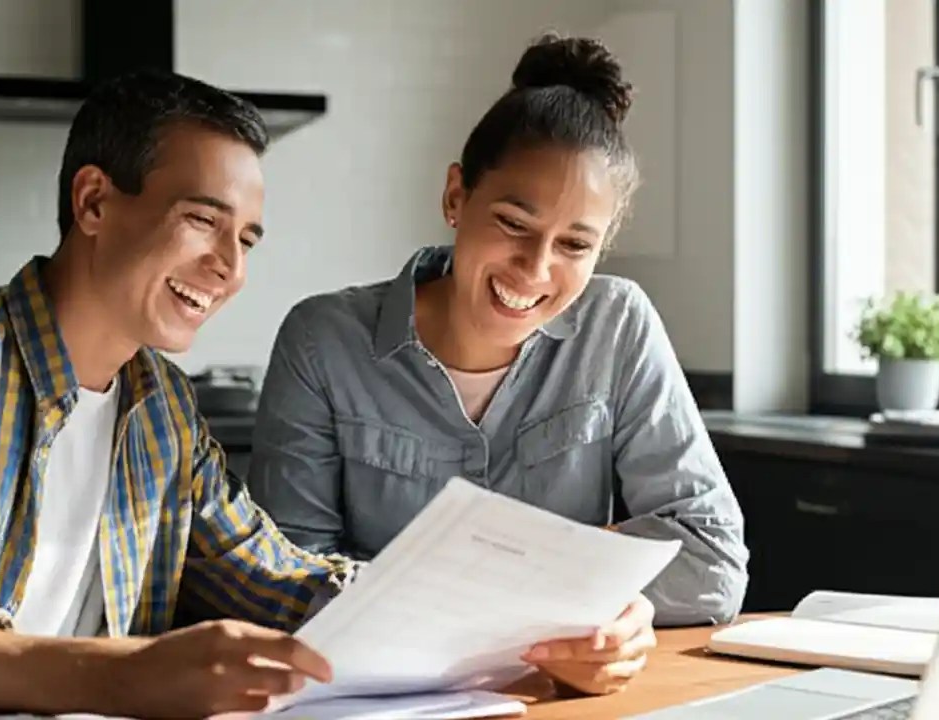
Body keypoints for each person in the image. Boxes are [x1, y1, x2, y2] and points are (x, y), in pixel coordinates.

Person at [0, 70, 358, 718]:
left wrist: (431, 604)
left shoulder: (165, 407)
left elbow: (272, 578)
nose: (231, 267)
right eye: (202, 220)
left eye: (246, 239)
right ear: (93, 202)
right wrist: (117, 675)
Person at [248, 33, 749, 695]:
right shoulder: (324, 342)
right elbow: (281, 582)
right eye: (514, 224)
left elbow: (712, 561)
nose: (535, 269)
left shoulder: (618, 326)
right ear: (456, 197)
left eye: (575, 245)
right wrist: (569, 591)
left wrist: (622, 615)